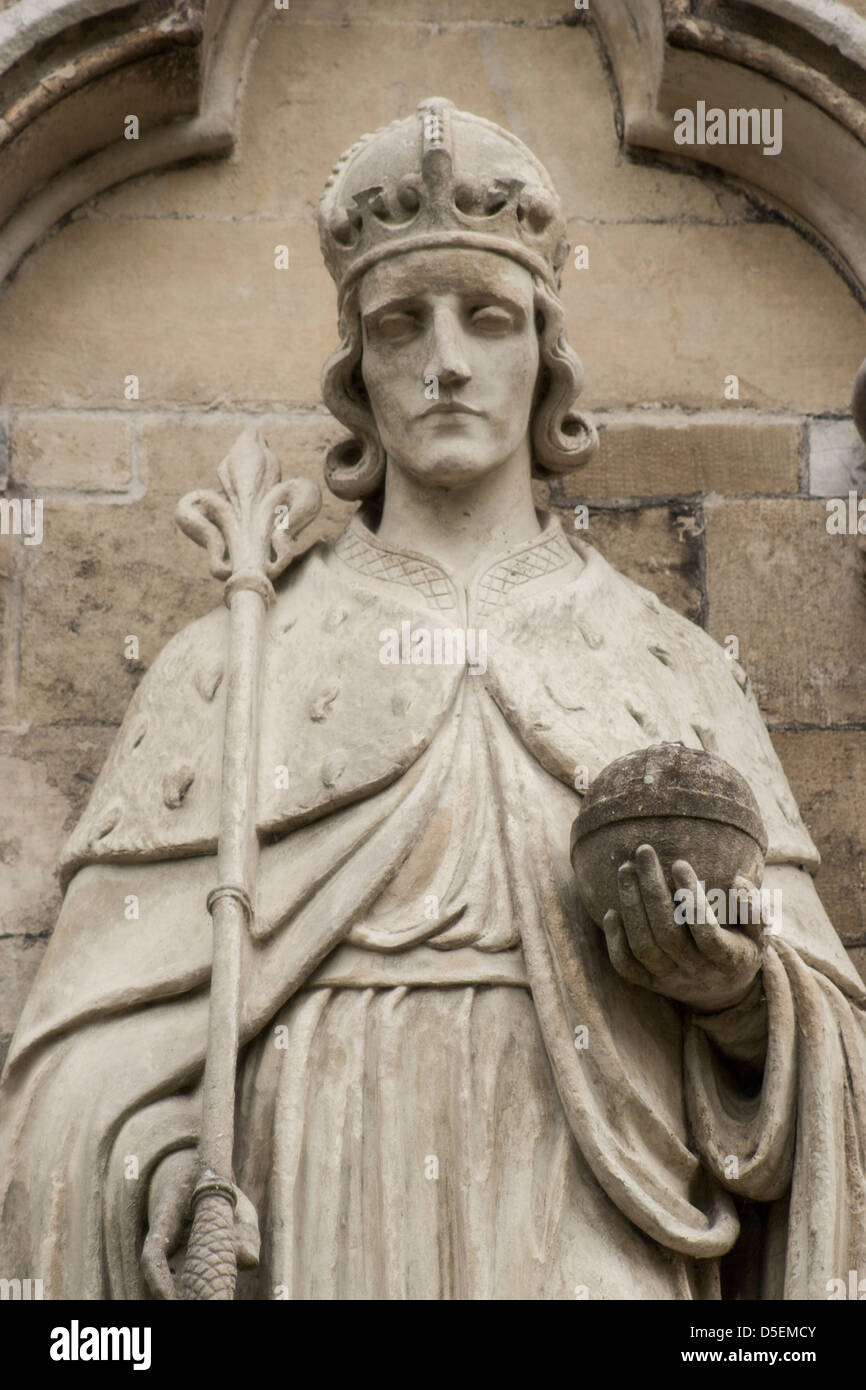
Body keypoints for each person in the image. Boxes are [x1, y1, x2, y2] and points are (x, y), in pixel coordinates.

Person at [1, 98, 864, 1301]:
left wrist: (732, 996)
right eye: (400, 322)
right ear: (355, 368)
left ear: (543, 355)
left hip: (593, 1195)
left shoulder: (663, 664)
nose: (445, 360)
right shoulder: (232, 658)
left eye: (488, 317)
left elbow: (832, 1047)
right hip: (318, 1194)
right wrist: (153, 1162)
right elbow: (70, 1073)